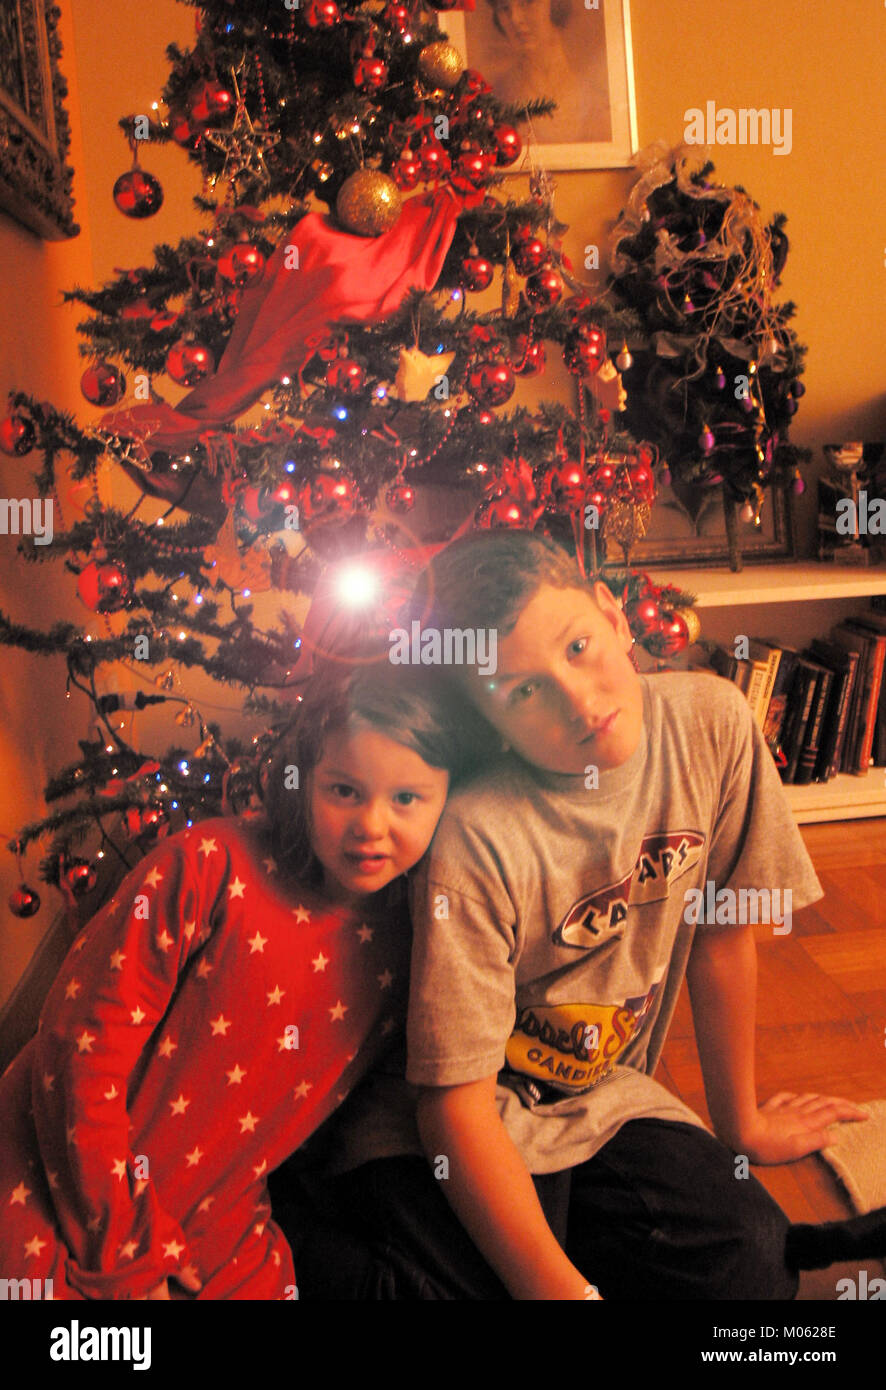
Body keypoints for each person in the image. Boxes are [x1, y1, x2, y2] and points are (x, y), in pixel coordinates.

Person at [291, 529, 875, 1300]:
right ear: (488, 721)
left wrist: (741, 1128)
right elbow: (453, 1104)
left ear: (613, 613)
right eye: (522, 692)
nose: (579, 701)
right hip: (442, 1124)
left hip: (599, 1105)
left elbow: (721, 938)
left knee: (755, 1261)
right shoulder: (476, 834)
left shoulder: (716, 724)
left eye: (576, 647)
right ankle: (299, 1218)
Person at [0, 649, 483, 1300]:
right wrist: (124, 1242)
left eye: (406, 798)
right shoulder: (205, 867)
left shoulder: (420, 938)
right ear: (303, 779)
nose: (371, 826)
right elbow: (78, 1049)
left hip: (215, 1209)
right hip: (55, 1159)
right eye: (344, 790)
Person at [480, 0, 611, 144]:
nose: (515, 18)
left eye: (526, 3)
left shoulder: (598, 101)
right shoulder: (497, 98)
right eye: (504, 9)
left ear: (555, 4)